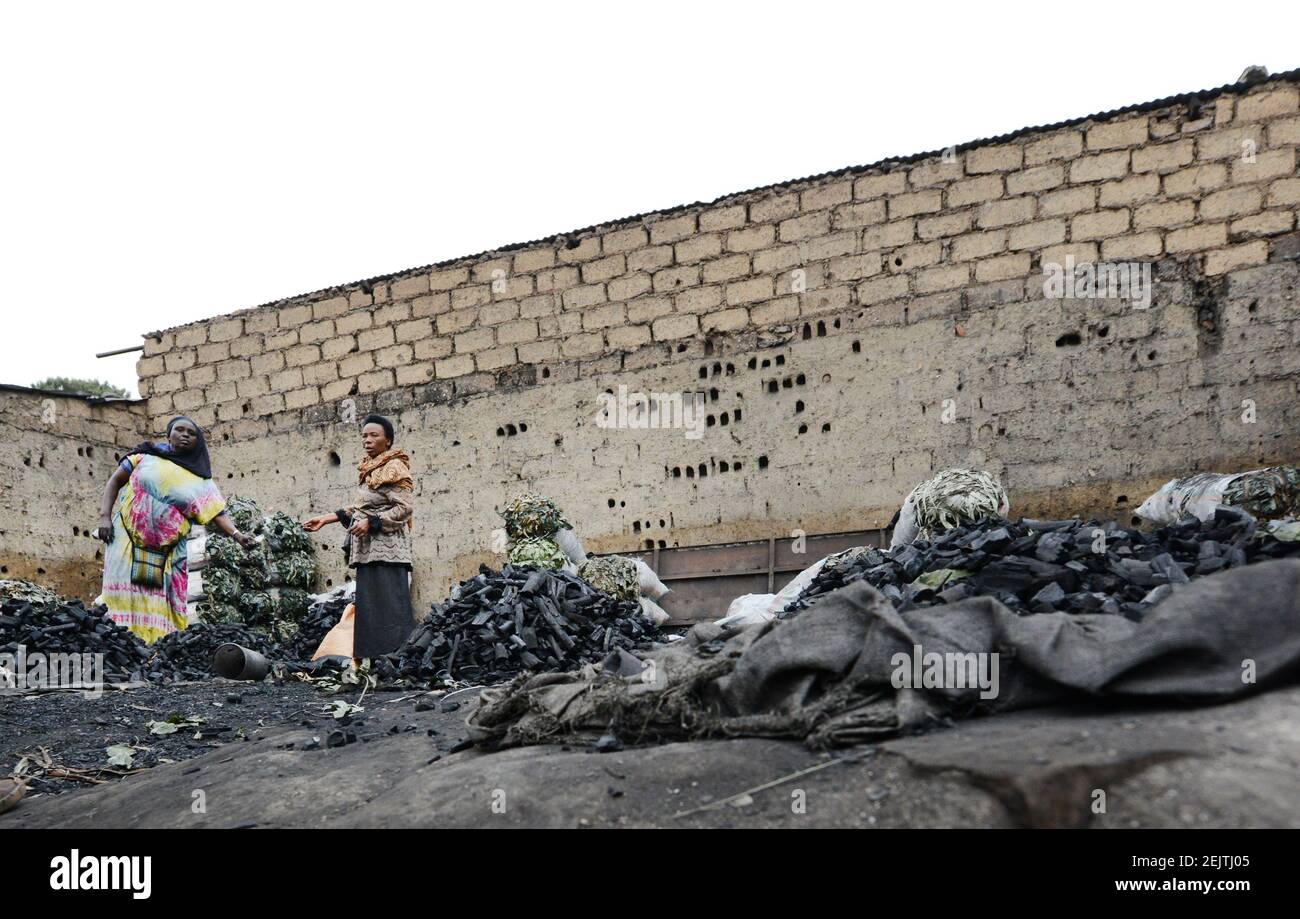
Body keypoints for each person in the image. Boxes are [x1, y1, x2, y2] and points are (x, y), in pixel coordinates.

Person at [97, 416, 255, 643]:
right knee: (122, 595)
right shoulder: (144, 457)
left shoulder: (201, 481)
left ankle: (155, 651)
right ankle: (119, 644)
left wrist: (238, 536)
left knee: (161, 603)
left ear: (198, 442)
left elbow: (217, 513)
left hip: (168, 555)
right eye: (179, 430)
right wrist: (104, 517)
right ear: (168, 434)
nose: (184, 435)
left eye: (191, 433)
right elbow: (114, 481)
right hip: (126, 542)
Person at [303, 414, 414, 660]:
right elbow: (360, 509)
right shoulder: (369, 469)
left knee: (389, 607)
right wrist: (326, 518)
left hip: (387, 551)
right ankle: (372, 662)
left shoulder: (394, 467)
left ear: (388, 440)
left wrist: (372, 523)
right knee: (371, 609)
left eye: (374, 435)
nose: (368, 440)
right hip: (367, 551)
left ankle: (397, 659)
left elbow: (404, 509)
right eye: (364, 435)